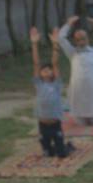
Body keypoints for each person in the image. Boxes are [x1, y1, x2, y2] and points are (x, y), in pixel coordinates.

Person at [57, 15, 93, 126]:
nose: (81, 41)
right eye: (78, 39)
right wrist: (68, 24)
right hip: (78, 89)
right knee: (80, 123)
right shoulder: (72, 53)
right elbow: (60, 38)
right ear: (75, 41)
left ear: (88, 39)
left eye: (83, 38)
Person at [29, 26, 71, 158]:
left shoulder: (57, 84)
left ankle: (67, 147)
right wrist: (34, 43)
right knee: (47, 153)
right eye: (44, 69)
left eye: (49, 69)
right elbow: (36, 63)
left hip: (55, 124)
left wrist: (55, 44)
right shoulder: (39, 84)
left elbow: (55, 63)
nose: (47, 70)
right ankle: (49, 147)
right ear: (40, 74)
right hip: (43, 125)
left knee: (62, 154)